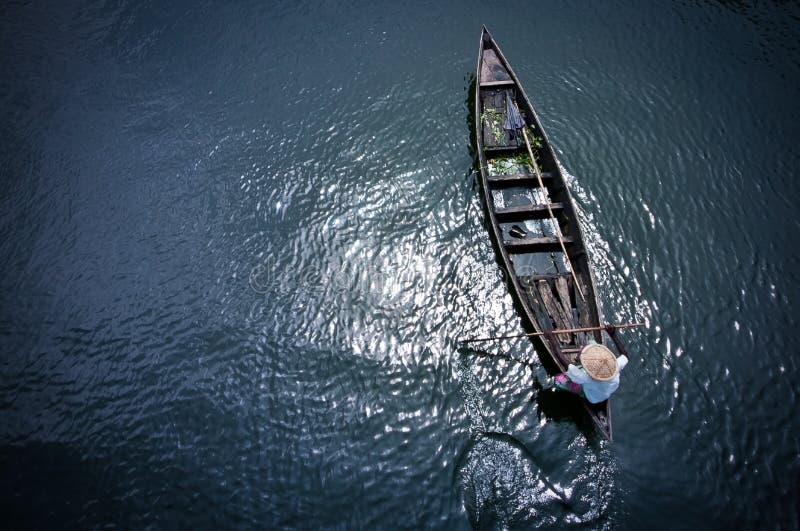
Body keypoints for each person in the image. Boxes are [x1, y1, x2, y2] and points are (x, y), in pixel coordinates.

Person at [541, 342, 628, 404]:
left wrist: (552, 340)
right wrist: (612, 334)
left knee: (558, 380)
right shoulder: (615, 365)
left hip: (591, 398)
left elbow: (567, 365)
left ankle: (554, 385)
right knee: (592, 343)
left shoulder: (586, 378)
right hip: (604, 393)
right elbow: (625, 355)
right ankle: (580, 358)